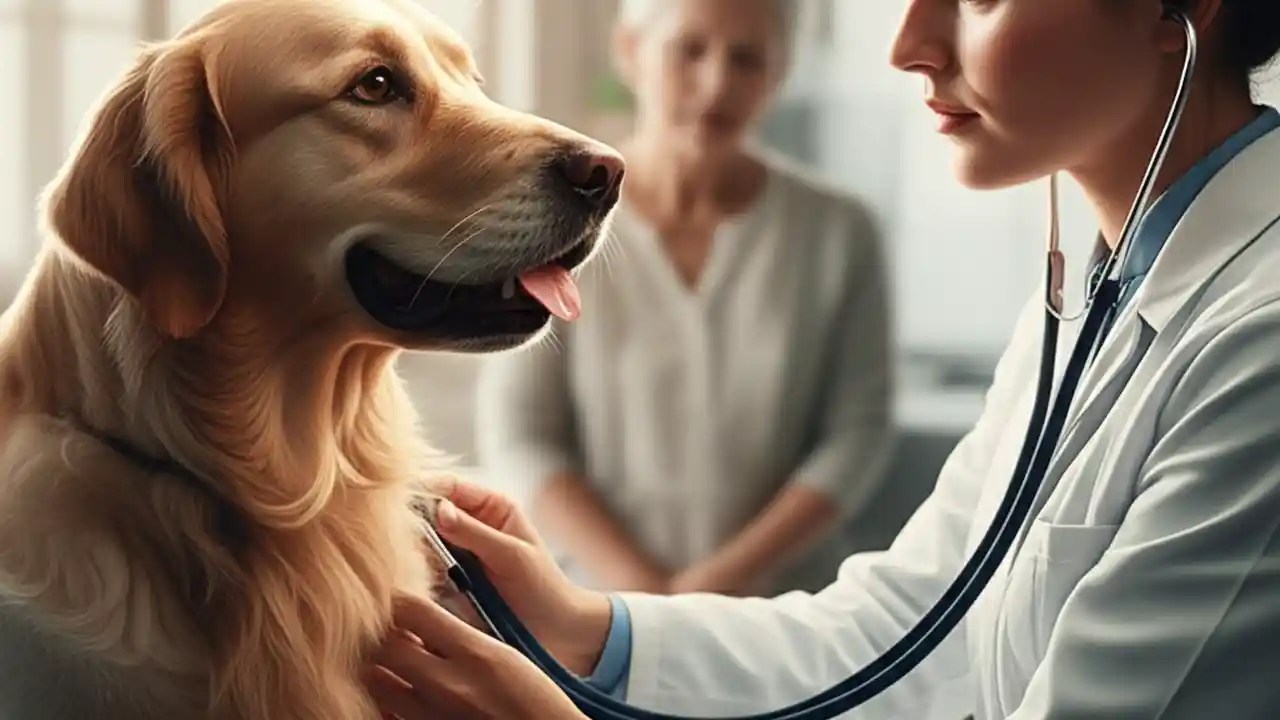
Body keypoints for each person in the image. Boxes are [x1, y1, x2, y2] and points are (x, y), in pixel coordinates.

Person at [366, 0, 1280, 718]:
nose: (909, 45)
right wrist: (580, 625)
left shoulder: (1260, 343)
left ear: (1181, 9)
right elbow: (903, 630)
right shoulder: (1085, 303)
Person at [475, 0, 891, 597]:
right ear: (631, 51)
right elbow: (522, 436)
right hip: (599, 606)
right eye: (690, 49)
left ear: (779, 73)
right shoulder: (556, 225)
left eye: (747, 59)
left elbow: (857, 434)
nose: (718, 82)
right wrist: (643, 591)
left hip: (791, 615)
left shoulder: (840, 232)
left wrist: (716, 585)